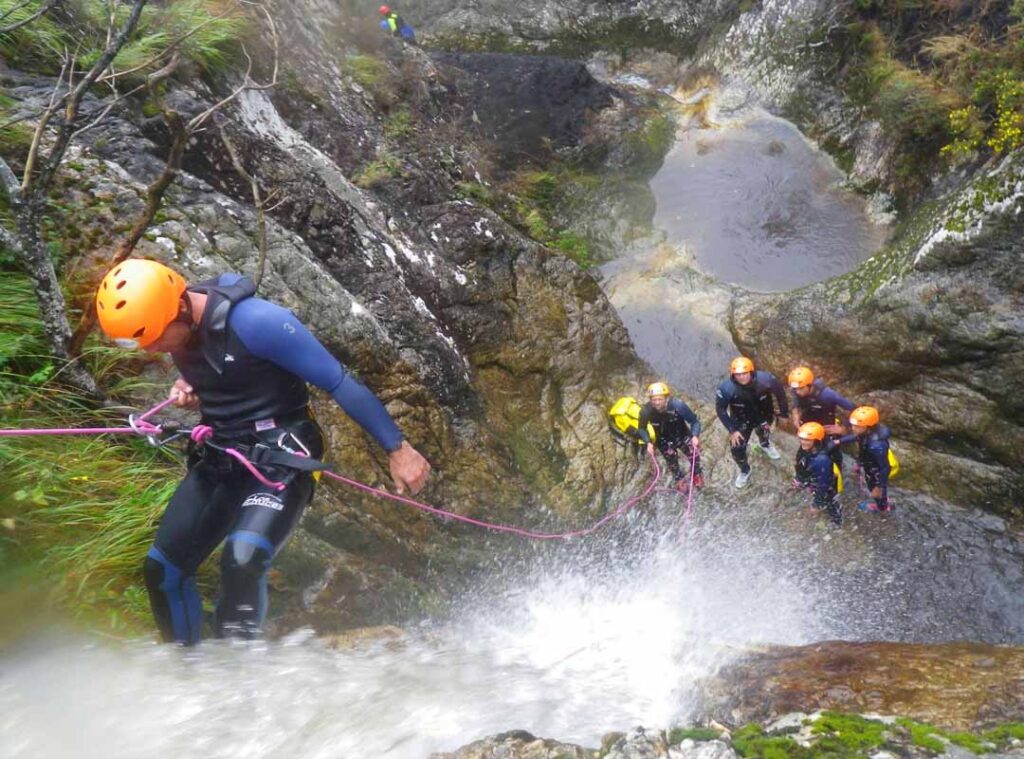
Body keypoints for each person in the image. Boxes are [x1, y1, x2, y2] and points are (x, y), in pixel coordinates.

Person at [95, 259, 431, 645]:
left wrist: (398, 448)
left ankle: (238, 675)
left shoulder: (257, 322)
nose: (152, 349)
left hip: (283, 451)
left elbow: (338, 382)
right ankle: (186, 679)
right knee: (162, 571)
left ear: (181, 308)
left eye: (155, 339)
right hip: (224, 451)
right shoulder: (176, 325)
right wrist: (190, 381)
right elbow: (213, 358)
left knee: (243, 559)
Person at [715, 357, 789, 489]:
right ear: (733, 375)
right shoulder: (726, 389)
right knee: (737, 449)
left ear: (751, 371)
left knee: (764, 433)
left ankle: (765, 445)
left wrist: (784, 414)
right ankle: (745, 470)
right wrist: (732, 430)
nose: (742, 377)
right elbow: (721, 410)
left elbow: (781, 395)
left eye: (745, 373)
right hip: (741, 421)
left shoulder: (767, 380)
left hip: (764, 415)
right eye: (738, 375)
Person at [636, 382, 703, 490]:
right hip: (663, 440)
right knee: (672, 462)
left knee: (694, 456)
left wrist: (695, 436)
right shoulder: (646, 411)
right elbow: (641, 428)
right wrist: (648, 442)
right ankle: (679, 478)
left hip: (682, 435)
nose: (657, 403)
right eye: (654, 400)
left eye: (660, 399)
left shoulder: (678, 406)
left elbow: (694, 422)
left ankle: (696, 473)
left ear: (666, 398)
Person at [787, 366, 855, 469]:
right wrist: (795, 415)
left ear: (810, 386)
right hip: (809, 424)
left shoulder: (828, 394)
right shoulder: (798, 389)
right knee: (806, 450)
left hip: (826, 425)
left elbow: (854, 409)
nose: (797, 392)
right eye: (795, 389)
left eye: (801, 389)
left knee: (832, 451)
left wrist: (843, 427)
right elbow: (796, 404)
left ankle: (837, 469)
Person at [841, 405, 894, 513]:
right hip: (868, 463)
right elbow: (856, 438)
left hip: (876, 470)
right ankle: (882, 500)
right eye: (853, 425)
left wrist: (879, 487)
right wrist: (838, 441)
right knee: (872, 486)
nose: (853, 428)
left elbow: (885, 468)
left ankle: (882, 507)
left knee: (874, 490)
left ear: (868, 427)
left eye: (857, 426)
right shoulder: (865, 433)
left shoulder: (877, 445)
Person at [793, 422, 843, 527]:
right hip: (815, 478)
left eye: (807, 440)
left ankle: (836, 521)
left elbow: (824, 485)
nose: (803, 442)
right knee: (822, 496)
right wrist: (800, 479)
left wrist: (817, 503)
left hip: (827, 484)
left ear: (816, 441)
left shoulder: (821, 460)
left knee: (830, 502)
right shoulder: (805, 449)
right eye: (801, 438)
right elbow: (800, 464)